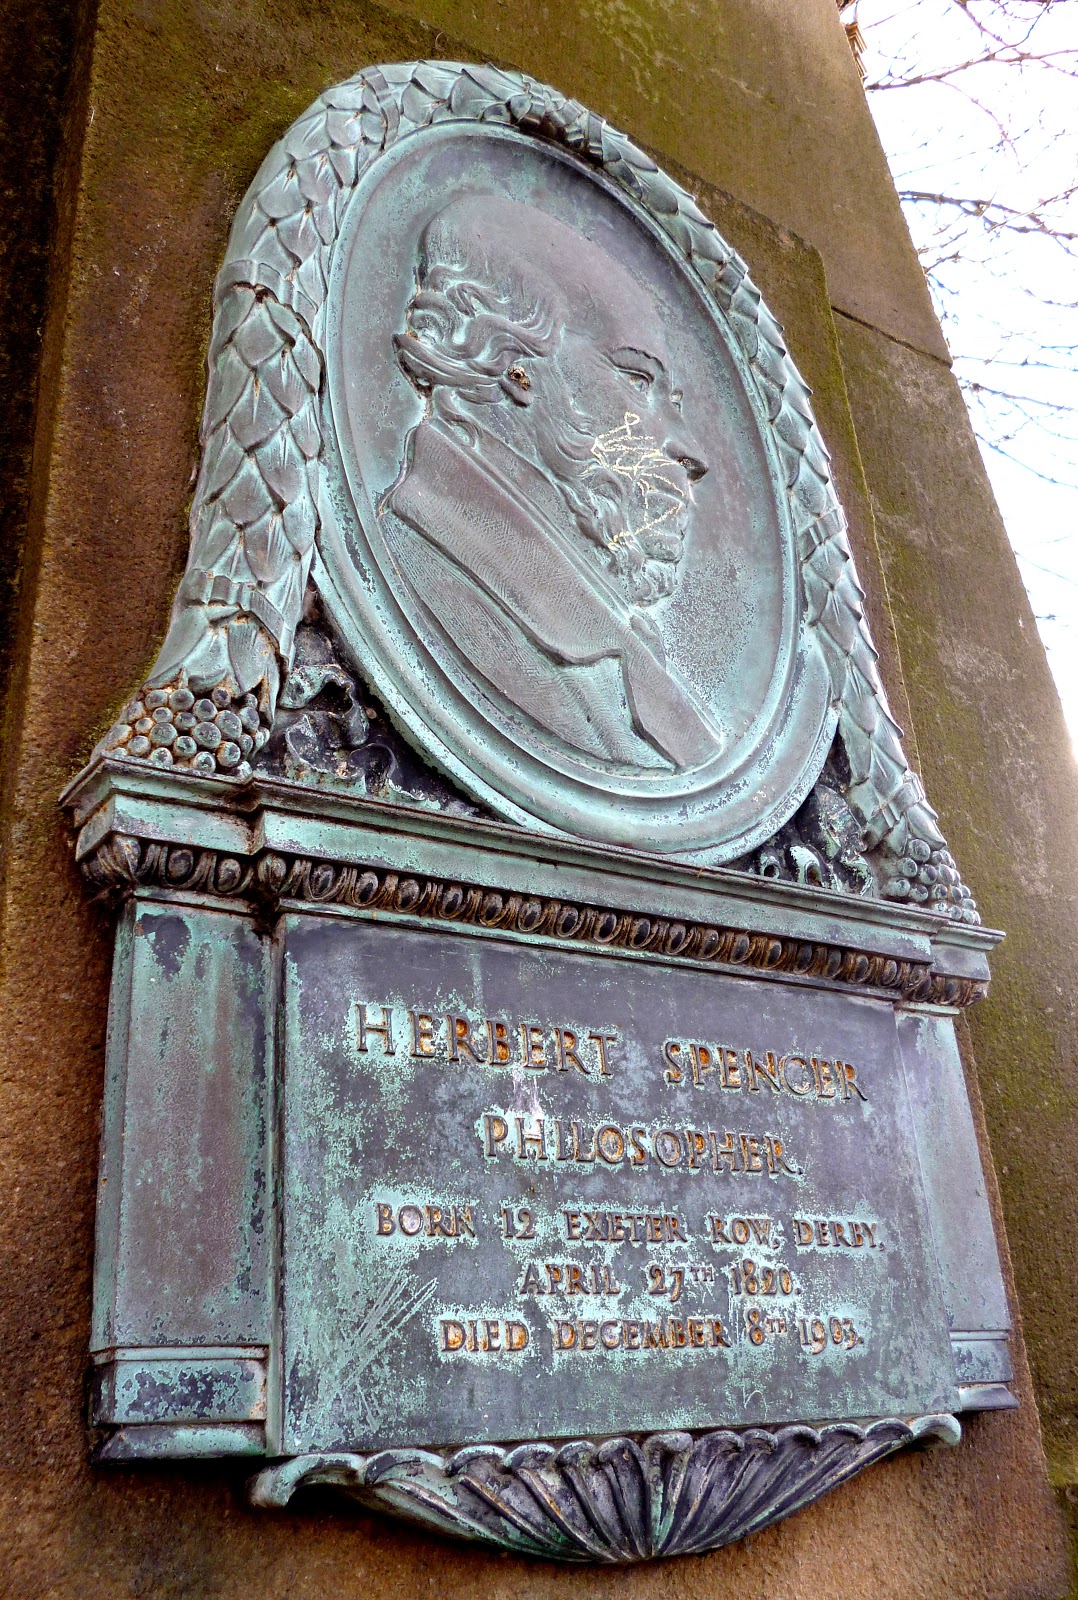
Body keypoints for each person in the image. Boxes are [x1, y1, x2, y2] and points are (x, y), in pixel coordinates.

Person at [381, 192, 722, 771]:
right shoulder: (432, 558)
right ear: (515, 366)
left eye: (676, 402)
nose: (689, 451)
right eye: (639, 380)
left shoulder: (599, 605)